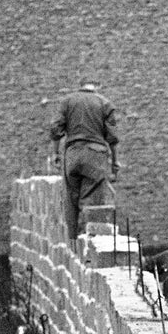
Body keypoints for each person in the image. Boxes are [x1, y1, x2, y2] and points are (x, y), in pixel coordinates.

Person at [50, 81, 119, 241]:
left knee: (71, 201)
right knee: (93, 202)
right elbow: (112, 138)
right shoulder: (104, 104)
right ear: (96, 88)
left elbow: (55, 130)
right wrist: (115, 163)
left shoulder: (67, 102)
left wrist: (56, 154)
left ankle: (72, 242)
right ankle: (90, 243)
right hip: (96, 156)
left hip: (72, 154)